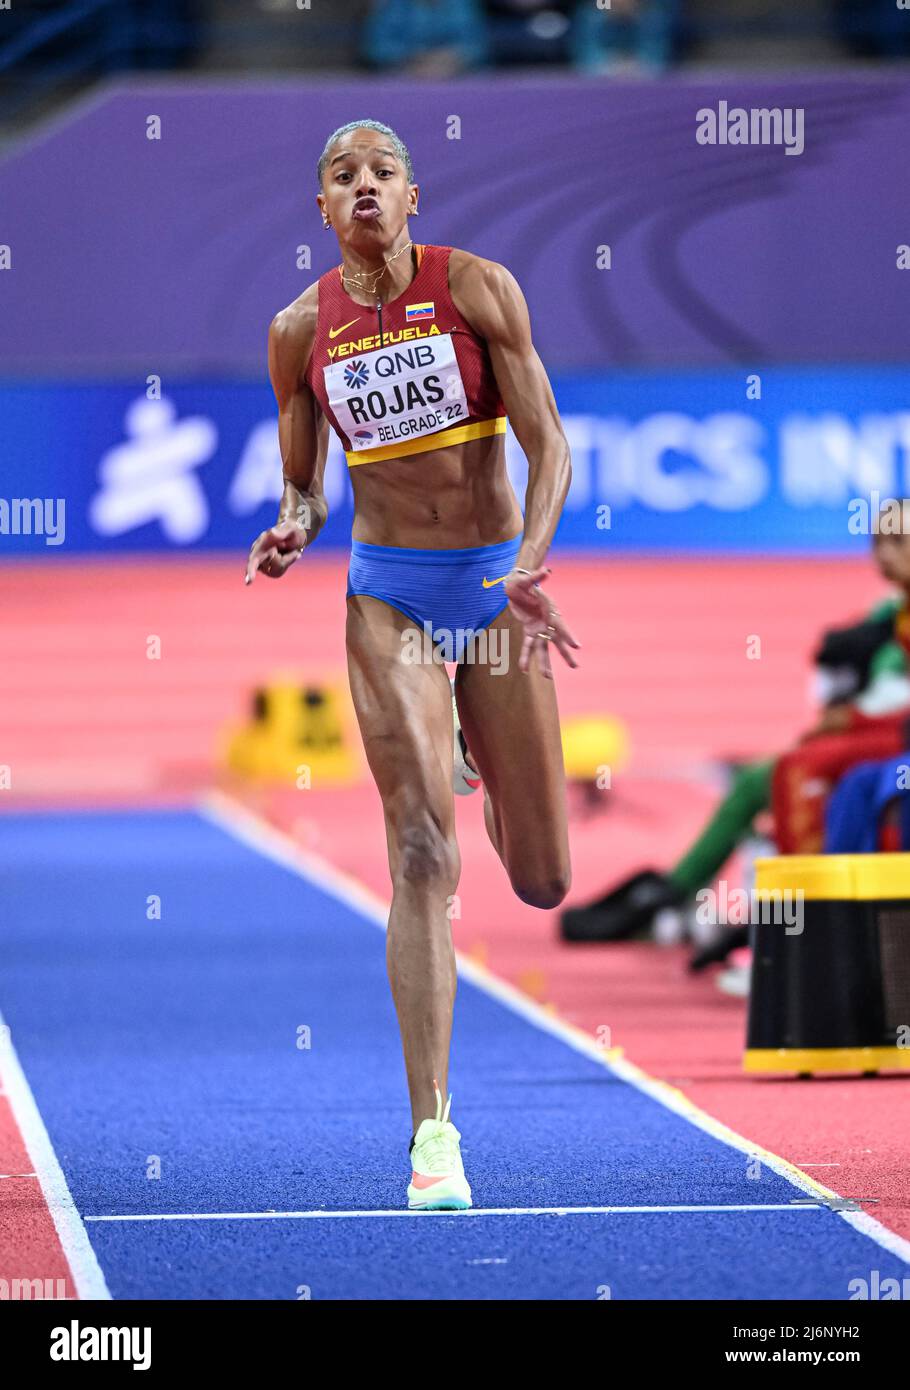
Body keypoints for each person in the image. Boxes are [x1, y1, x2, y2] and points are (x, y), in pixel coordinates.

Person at [245, 120, 579, 1210]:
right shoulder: (299, 331)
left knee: (541, 877)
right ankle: (432, 1131)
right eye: (343, 177)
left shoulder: (477, 288)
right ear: (324, 210)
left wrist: (529, 560)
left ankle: (481, 758)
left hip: (490, 589)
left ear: (413, 194)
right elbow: (305, 483)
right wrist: (295, 524)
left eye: (382, 172)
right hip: (384, 592)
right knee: (421, 851)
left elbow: (550, 443)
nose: (365, 188)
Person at [561, 525, 909, 945]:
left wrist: (855, 719)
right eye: (878, 543)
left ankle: (799, 926)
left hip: (891, 737)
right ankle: (734, 910)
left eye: (897, 542)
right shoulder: (888, 612)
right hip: (873, 732)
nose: (883, 553)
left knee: (793, 772)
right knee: (766, 776)